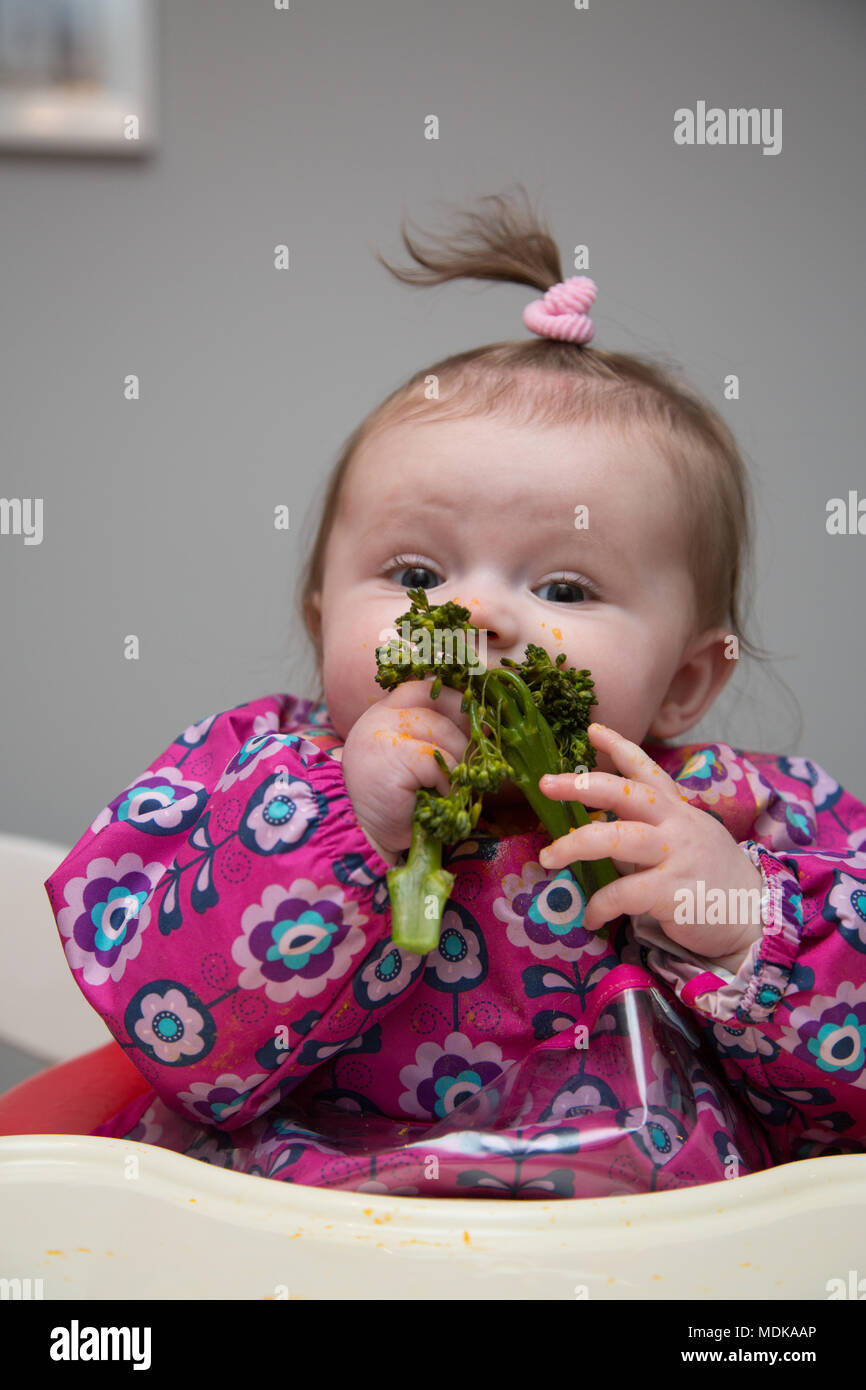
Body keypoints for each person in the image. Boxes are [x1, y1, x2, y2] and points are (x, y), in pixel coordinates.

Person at [44, 188, 866, 1198]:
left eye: (562, 587)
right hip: (298, 1227)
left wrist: (746, 924)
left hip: (639, 1251)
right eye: (417, 576)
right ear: (322, 623)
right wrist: (339, 831)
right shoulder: (253, 780)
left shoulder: (752, 823)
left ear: (684, 681)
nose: (476, 615)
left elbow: (844, 1118)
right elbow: (176, 1034)